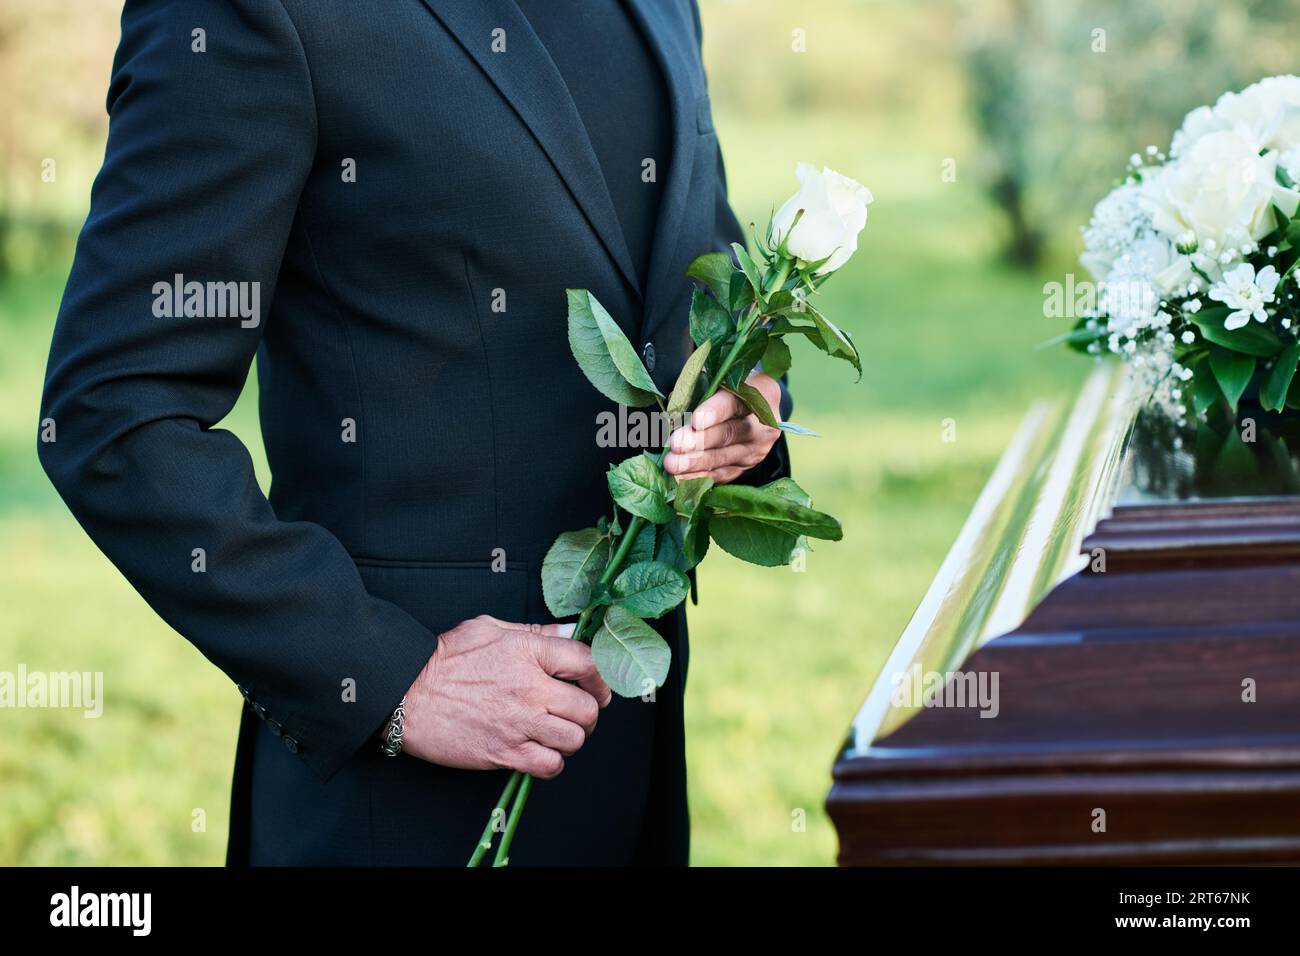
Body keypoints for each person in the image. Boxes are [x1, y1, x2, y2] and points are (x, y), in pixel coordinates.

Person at [39, 0, 790, 866]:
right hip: (400, 805)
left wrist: (745, 399)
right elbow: (114, 410)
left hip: (632, 776)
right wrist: (394, 679)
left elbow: (697, 274)